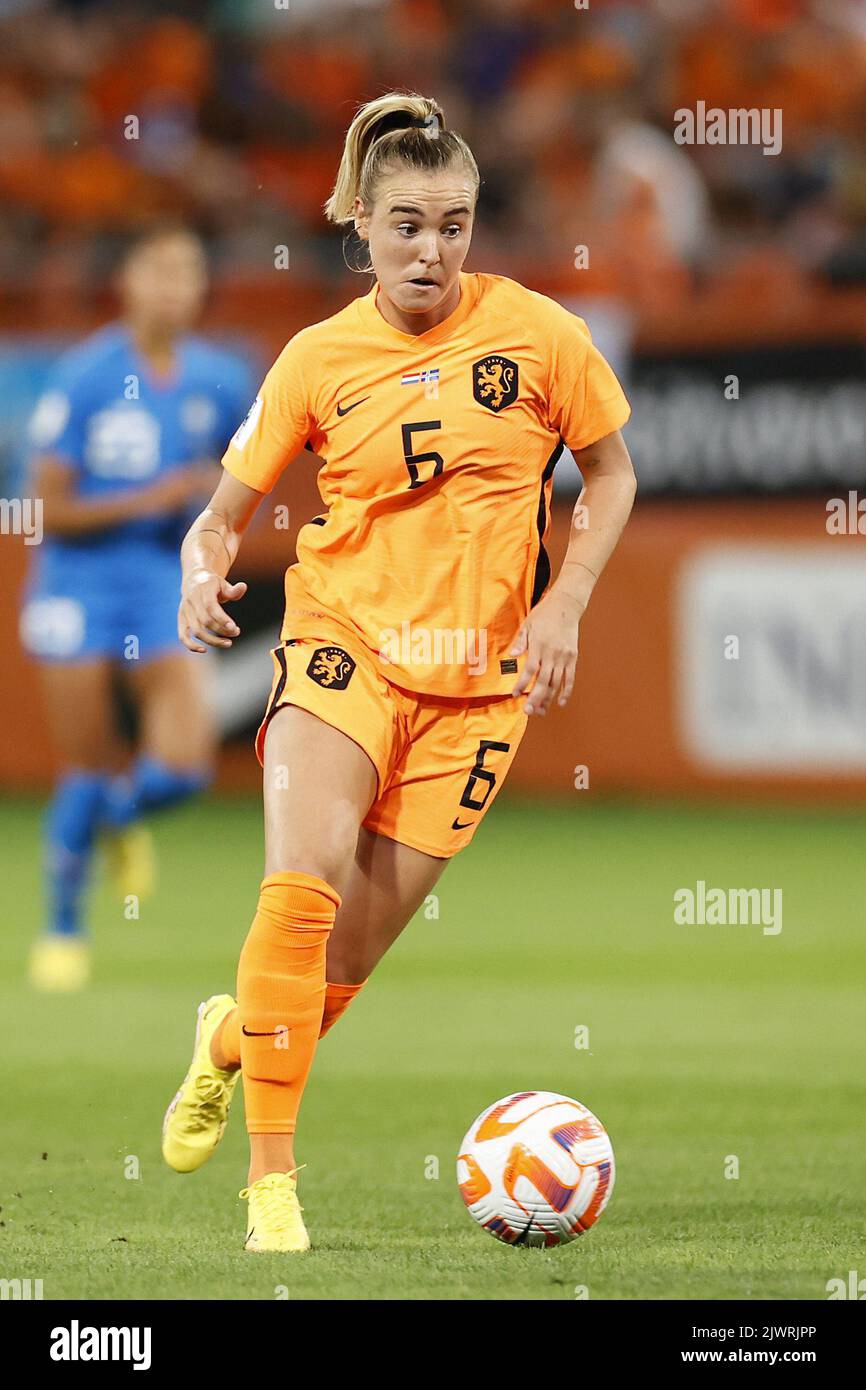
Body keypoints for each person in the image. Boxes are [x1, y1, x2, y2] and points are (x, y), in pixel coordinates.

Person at [160, 93, 637, 1253]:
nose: (433, 251)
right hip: (343, 649)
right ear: (358, 224)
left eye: (456, 226)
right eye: (408, 226)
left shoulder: (536, 336)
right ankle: (271, 1186)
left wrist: (563, 604)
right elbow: (220, 519)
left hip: (475, 693)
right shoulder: (317, 360)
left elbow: (611, 476)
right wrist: (196, 571)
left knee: (337, 967)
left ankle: (229, 1039)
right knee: (301, 882)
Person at [21, 225, 254, 992]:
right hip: (78, 585)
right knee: (84, 763)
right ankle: (63, 928)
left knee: (185, 768)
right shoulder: (87, 375)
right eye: (158, 270)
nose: (173, 287)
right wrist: (148, 498)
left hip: (161, 581)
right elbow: (40, 509)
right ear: (126, 281)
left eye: (188, 272)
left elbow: (242, 478)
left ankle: (123, 819)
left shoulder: (220, 379)